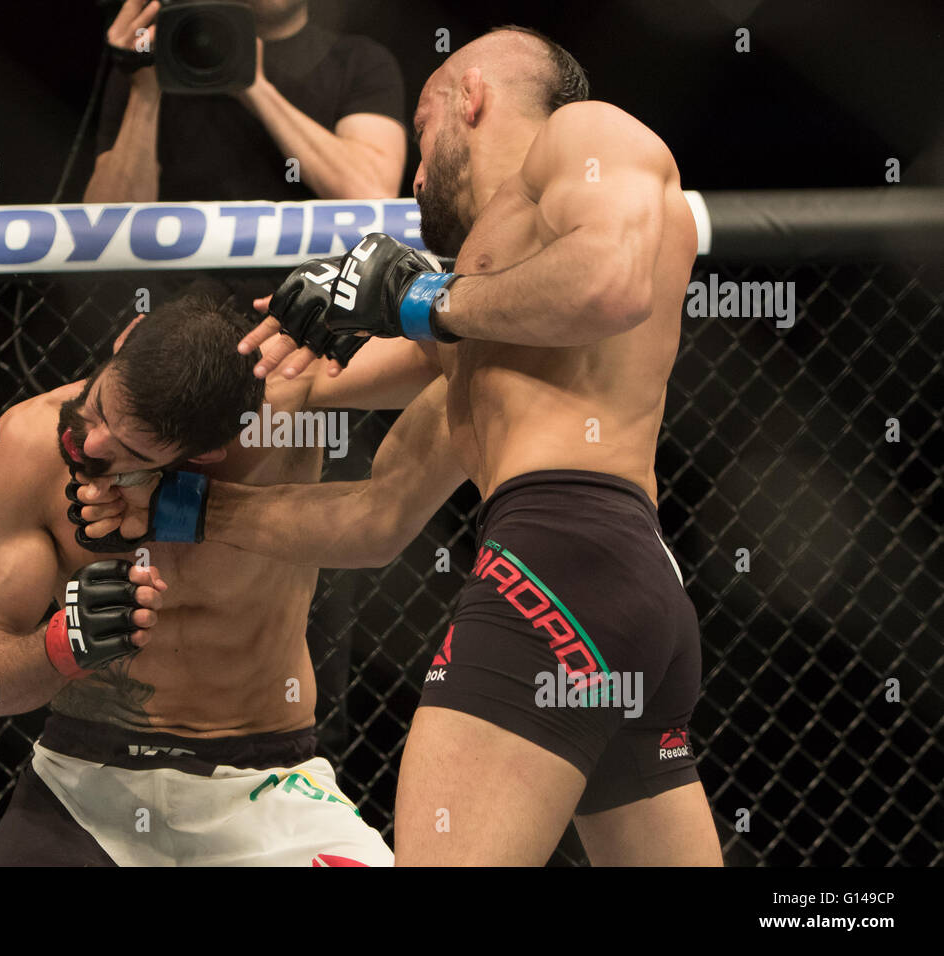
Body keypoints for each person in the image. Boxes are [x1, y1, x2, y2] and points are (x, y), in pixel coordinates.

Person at [86, 25, 725, 866]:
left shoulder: (587, 134)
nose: (414, 176)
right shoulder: (492, 324)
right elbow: (375, 512)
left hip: (557, 567)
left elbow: (609, 283)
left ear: (472, 98)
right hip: (621, 595)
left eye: (422, 134)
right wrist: (173, 474)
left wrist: (423, 299)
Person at [0, 290, 438, 865]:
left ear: (202, 455)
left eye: (132, 447)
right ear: (125, 338)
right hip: (85, 778)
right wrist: (62, 645)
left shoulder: (286, 406)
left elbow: (467, 355)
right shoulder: (27, 446)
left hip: (266, 783)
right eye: (103, 407)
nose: (93, 441)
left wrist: (400, 293)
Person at [83, 0, 407, 202]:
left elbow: (372, 192)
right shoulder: (156, 61)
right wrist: (145, 91)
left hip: (309, 298)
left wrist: (252, 85)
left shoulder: (359, 61)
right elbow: (106, 227)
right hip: (178, 302)